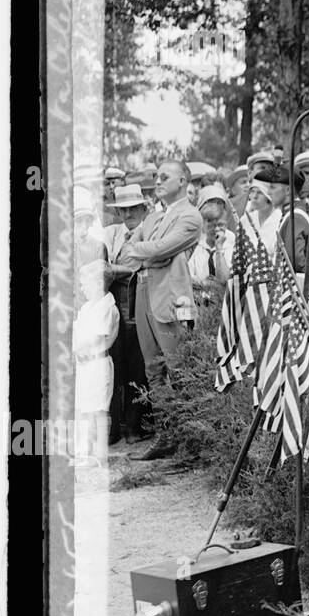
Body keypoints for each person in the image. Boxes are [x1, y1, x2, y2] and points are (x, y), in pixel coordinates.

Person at [113, 160, 204, 456]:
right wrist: (153, 253)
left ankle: (189, 439)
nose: (159, 181)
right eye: (157, 176)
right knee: (153, 369)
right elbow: (134, 253)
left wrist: (150, 252)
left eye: (165, 176)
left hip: (171, 299)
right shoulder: (152, 218)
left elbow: (161, 249)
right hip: (144, 294)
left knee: (178, 368)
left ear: (183, 181)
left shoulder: (191, 216)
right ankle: (167, 436)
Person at [104, 184, 151, 444]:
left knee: (137, 366)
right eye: (123, 209)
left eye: (134, 208)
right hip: (109, 306)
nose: (128, 213)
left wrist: (107, 268)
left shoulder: (148, 231)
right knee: (112, 365)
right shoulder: (111, 232)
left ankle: (135, 428)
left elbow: (131, 266)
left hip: (136, 303)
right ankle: (114, 429)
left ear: (144, 208)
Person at [74, 259, 119, 464]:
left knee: (99, 409)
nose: (82, 288)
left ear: (99, 284)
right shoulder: (87, 308)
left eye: (86, 284)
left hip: (98, 364)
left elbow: (99, 336)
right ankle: (85, 451)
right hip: (85, 364)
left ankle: (101, 453)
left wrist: (79, 345)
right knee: (84, 408)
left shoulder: (107, 307)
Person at [187, 188, 235, 304]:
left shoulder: (231, 241)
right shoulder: (194, 242)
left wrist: (219, 249)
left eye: (219, 223)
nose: (215, 228)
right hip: (198, 301)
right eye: (209, 221)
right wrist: (203, 283)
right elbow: (186, 277)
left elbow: (224, 279)